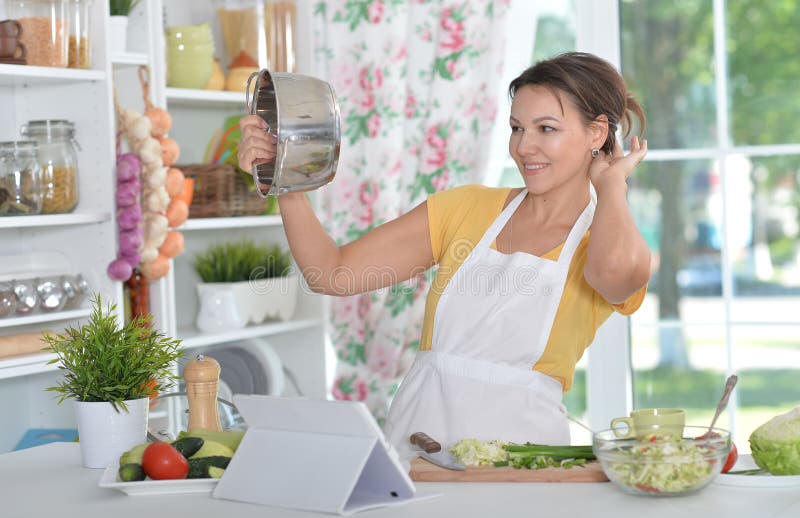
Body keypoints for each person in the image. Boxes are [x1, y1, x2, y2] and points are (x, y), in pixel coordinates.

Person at [237, 52, 651, 461]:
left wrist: (612, 184)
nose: (525, 147)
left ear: (597, 134)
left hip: (522, 468)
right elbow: (331, 274)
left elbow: (615, 273)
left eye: (547, 128)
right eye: (516, 128)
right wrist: (284, 176)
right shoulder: (466, 209)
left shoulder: (604, 239)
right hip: (419, 450)